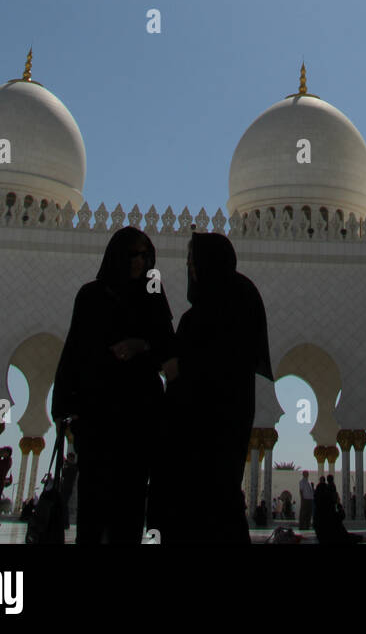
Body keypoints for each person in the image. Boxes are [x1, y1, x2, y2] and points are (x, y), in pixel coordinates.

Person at [52, 226, 176, 545]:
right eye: (134, 255)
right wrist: (66, 409)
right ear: (118, 256)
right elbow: (74, 352)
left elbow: (167, 344)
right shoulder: (91, 295)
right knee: (93, 506)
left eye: (146, 255)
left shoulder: (152, 293)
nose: (141, 262)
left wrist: (141, 345)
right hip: (98, 415)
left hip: (139, 416)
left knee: (130, 507)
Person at [161, 232, 272, 545]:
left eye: (192, 264)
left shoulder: (198, 320)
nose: (189, 271)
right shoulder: (241, 309)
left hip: (193, 460)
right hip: (225, 458)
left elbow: (188, 381)